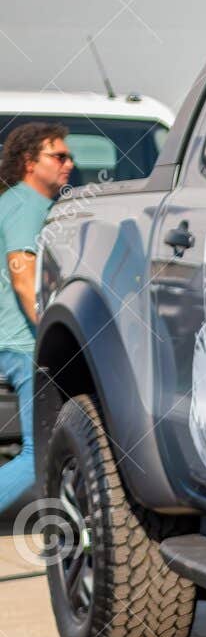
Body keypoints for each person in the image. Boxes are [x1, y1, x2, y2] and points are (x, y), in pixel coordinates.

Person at [0, 122, 73, 513]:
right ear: (30, 162)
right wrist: (50, 333)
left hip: (18, 340)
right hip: (26, 343)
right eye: (58, 156)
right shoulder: (26, 205)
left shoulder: (21, 202)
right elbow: (24, 277)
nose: (69, 163)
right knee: (38, 453)